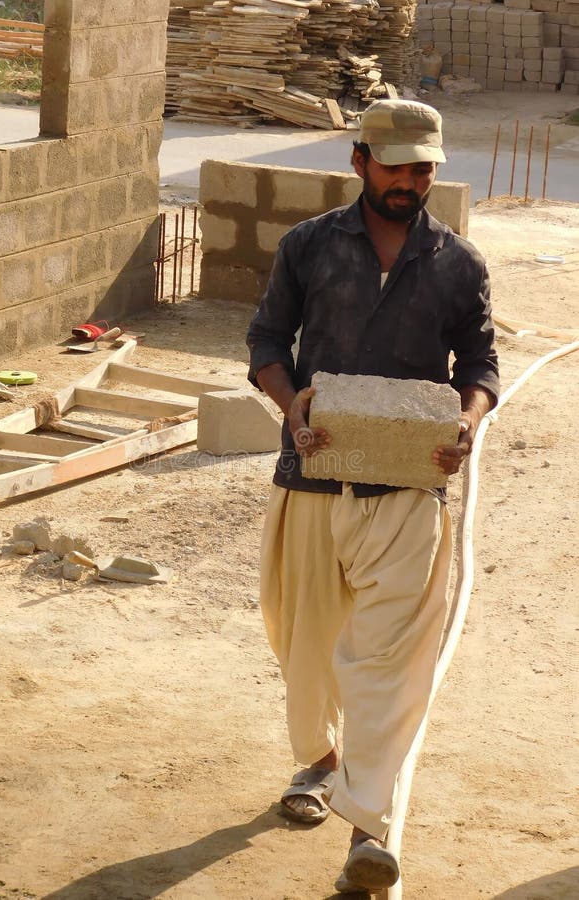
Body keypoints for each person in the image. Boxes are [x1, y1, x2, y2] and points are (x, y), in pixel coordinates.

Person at [245, 99, 499, 894]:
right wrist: (292, 411)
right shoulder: (310, 246)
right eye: (395, 166)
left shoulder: (459, 264)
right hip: (314, 477)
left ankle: (367, 829)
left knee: (388, 661)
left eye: (422, 168)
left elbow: (480, 366)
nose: (409, 182)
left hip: (410, 489)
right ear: (359, 161)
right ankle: (320, 760)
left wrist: (466, 422)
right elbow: (265, 342)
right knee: (303, 646)